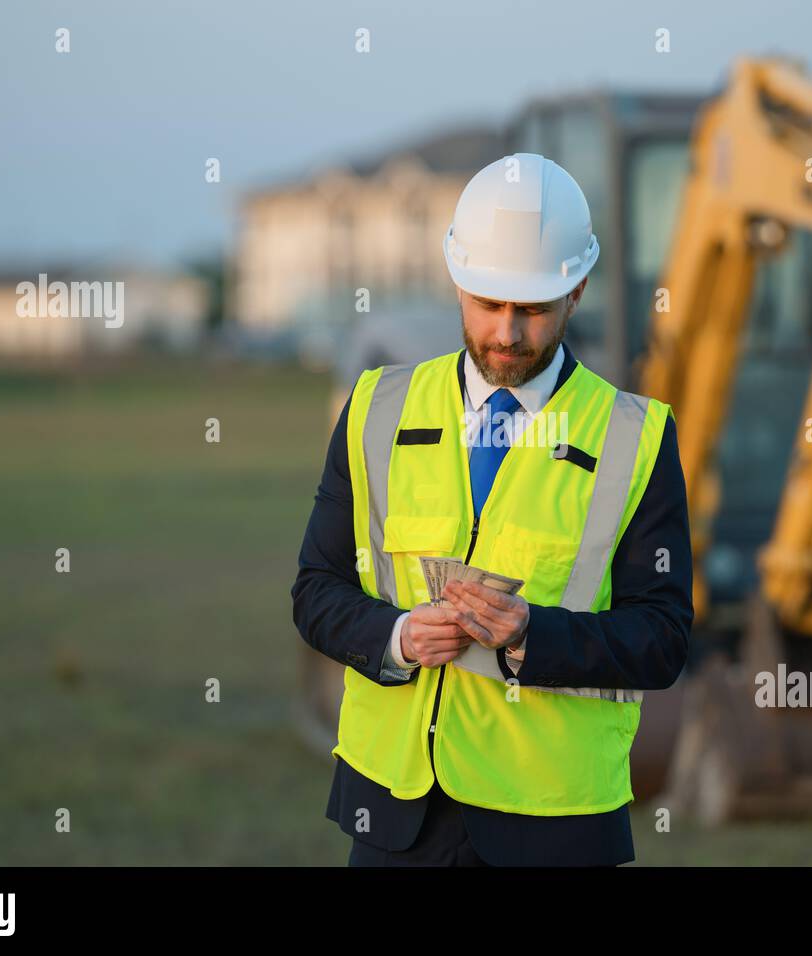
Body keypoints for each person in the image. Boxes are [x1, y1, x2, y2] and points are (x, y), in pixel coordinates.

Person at [291, 152, 693, 866]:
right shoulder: (375, 411)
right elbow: (316, 592)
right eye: (489, 304)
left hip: (555, 825)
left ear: (577, 291)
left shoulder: (638, 438)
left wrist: (532, 635)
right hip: (394, 815)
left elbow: (661, 639)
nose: (508, 333)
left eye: (533, 309)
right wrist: (399, 637)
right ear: (458, 282)